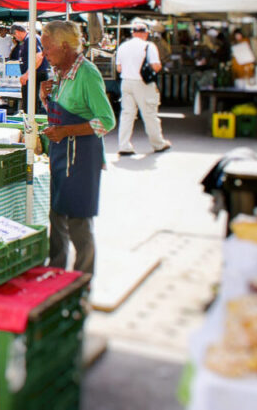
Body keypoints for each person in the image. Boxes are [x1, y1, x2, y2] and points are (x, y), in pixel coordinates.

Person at [39, 21, 115, 275]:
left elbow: (107, 120)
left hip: (82, 157)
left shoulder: (87, 73)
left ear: (63, 46)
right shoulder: (60, 72)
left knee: (78, 221)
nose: (44, 52)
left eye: (47, 48)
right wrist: (44, 98)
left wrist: (65, 131)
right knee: (57, 214)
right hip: (61, 153)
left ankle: (83, 277)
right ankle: (57, 269)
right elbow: (61, 112)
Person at [115, 21, 170, 155]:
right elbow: (156, 66)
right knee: (149, 114)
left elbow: (119, 68)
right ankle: (158, 144)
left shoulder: (123, 46)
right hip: (143, 83)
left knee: (127, 114)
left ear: (133, 33)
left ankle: (124, 146)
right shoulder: (149, 46)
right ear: (145, 33)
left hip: (126, 82)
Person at [10, 23, 49, 114]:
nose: (15, 38)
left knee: (32, 105)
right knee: (30, 104)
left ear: (17, 32)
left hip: (36, 75)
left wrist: (27, 75)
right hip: (33, 75)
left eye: (14, 36)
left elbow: (39, 56)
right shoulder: (27, 40)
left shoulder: (31, 39)